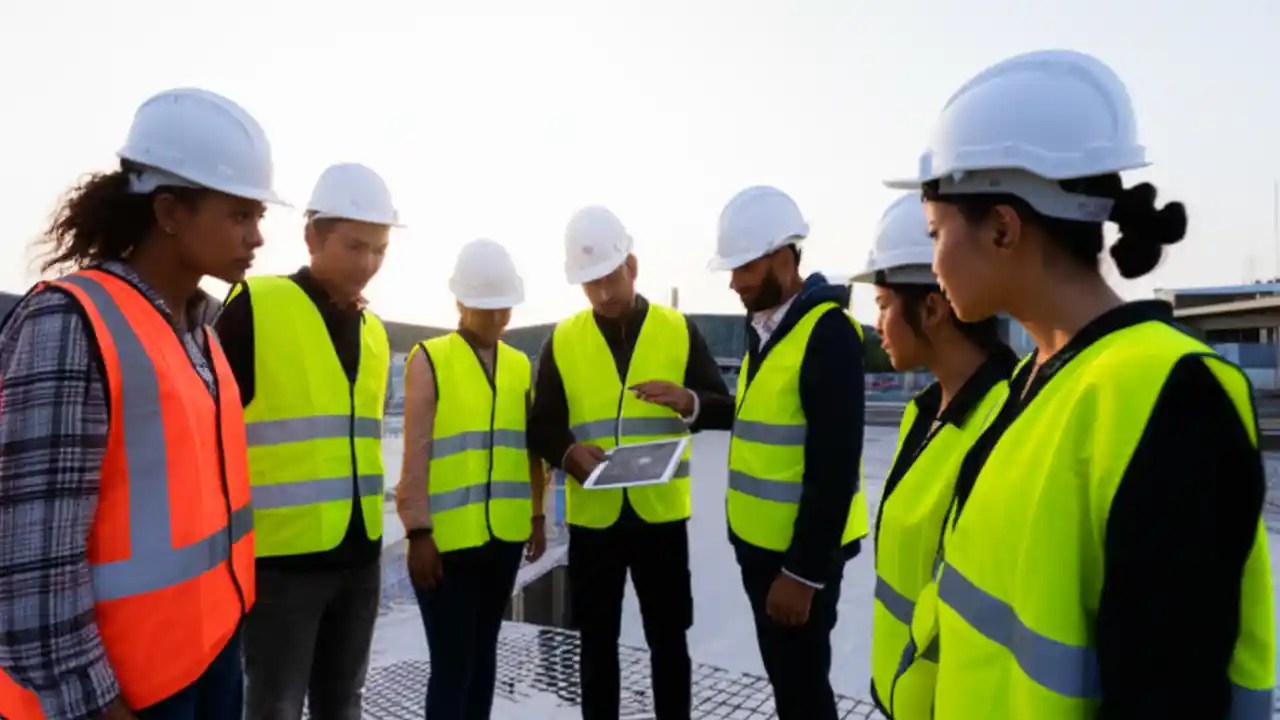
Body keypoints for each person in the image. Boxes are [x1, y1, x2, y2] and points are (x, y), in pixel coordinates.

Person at [886, 49, 1275, 718]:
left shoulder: (1172, 396)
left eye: (935, 233)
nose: (933, 262)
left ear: (1003, 228)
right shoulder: (1033, 381)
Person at [0, 87, 283, 719]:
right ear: (170, 212)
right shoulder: (70, 323)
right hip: (122, 697)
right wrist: (92, 703)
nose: (257, 236)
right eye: (240, 214)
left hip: (208, 660)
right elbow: (29, 563)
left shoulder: (201, 333)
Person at [528, 206, 733, 720]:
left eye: (609, 279)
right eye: (590, 284)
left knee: (669, 641)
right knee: (596, 643)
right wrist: (567, 453)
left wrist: (688, 400)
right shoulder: (563, 340)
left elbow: (723, 407)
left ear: (633, 266)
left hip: (660, 518)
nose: (602, 294)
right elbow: (543, 424)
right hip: (594, 522)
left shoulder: (678, 330)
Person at [214, 162, 399, 719]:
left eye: (379, 250)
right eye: (354, 246)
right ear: (313, 237)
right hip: (281, 565)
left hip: (359, 557)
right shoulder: (256, 305)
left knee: (344, 704)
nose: (368, 264)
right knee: (275, 706)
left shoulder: (374, 332)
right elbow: (208, 431)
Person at [702, 185, 869, 720]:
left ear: (782, 256)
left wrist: (803, 575)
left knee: (804, 696)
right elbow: (762, 417)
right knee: (789, 687)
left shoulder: (827, 334)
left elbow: (835, 466)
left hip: (796, 564)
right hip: (762, 553)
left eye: (744, 267)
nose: (734, 282)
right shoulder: (766, 328)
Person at [851, 194, 1017, 719]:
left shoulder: (1003, 424)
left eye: (883, 305)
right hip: (903, 693)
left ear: (931, 309)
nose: (877, 324)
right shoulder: (922, 413)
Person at [396, 238, 549, 719]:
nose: (498, 318)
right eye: (487, 308)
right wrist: (418, 532)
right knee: (453, 665)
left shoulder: (519, 365)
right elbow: (415, 453)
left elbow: (530, 452)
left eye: (505, 307)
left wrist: (538, 515)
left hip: (504, 538)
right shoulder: (430, 358)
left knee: (483, 658)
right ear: (461, 302)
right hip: (446, 544)